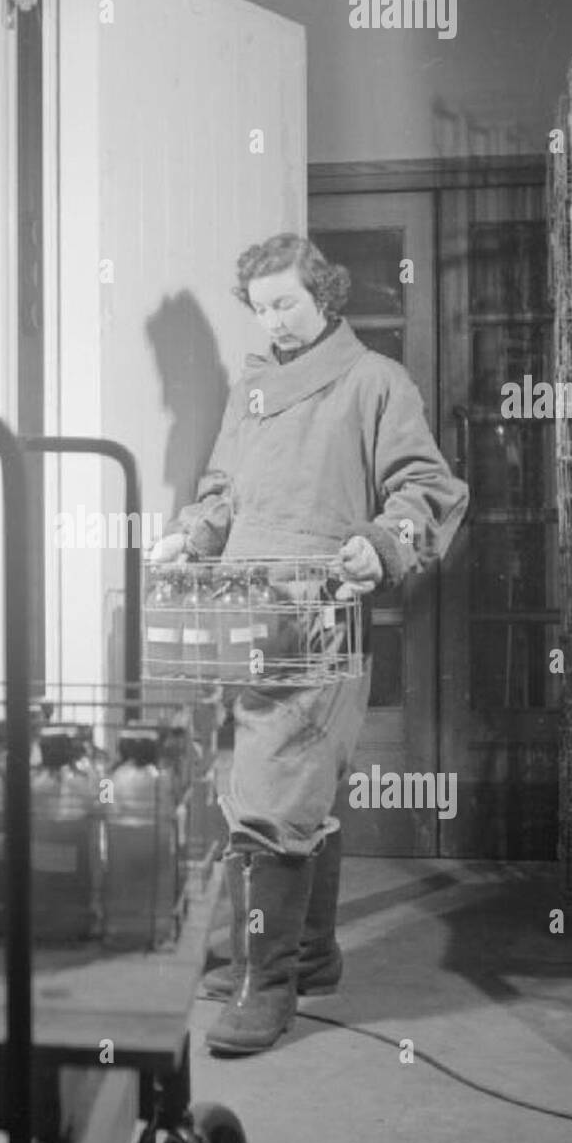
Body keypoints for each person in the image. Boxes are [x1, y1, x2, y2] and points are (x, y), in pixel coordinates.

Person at [150, 233, 469, 1056]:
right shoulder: (253, 387)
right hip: (250, 616)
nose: (274, 323)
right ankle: (311, 954)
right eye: (260, 310)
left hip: (321, 619)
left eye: (286, 303)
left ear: (326, 295)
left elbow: (424, 488)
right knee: (292, 790)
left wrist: (384, 541)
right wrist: (194, 532)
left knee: (269, 794)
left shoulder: (374, 383)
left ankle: (267, 984)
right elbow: (224, 487)